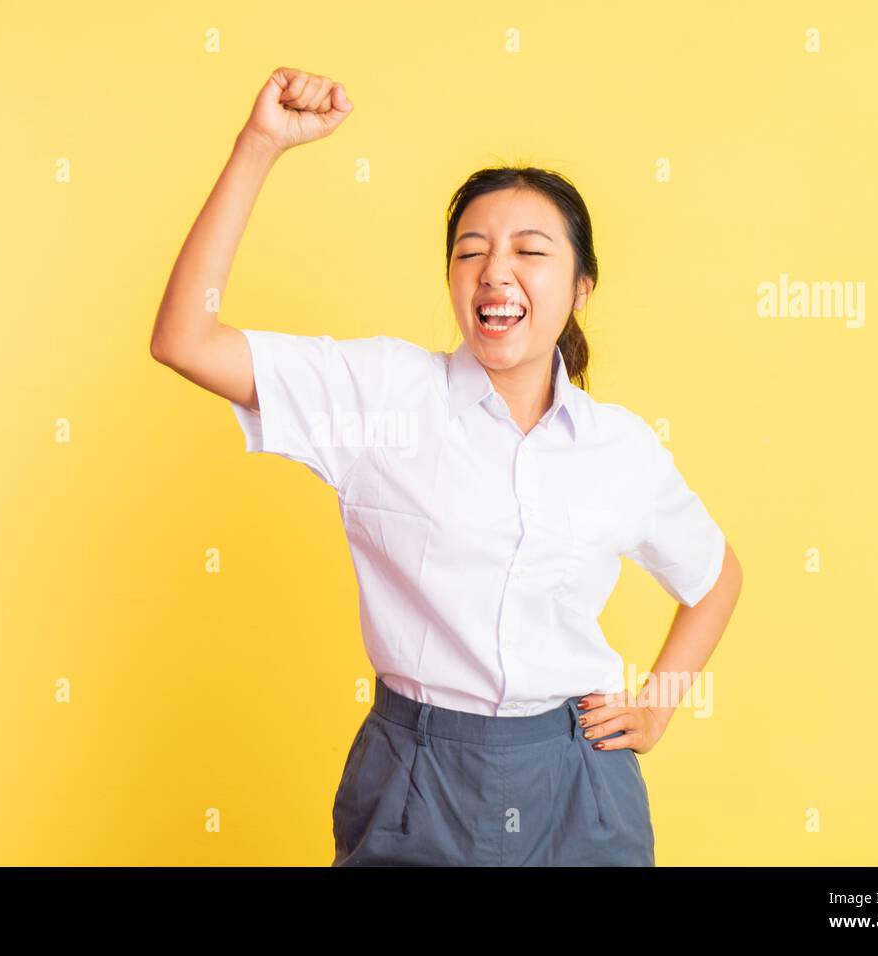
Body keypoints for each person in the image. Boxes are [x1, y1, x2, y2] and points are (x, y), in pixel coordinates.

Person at [151, 67, 744, 866]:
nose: (496, 271)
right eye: (472, 252)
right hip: (415, 776)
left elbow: (715, 579)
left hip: (580, 783)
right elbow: (185, 338)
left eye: (530, 251)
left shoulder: (622, 447)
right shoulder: (382, 394)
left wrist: (661, 703)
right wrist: (259, 146)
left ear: (581, 288)